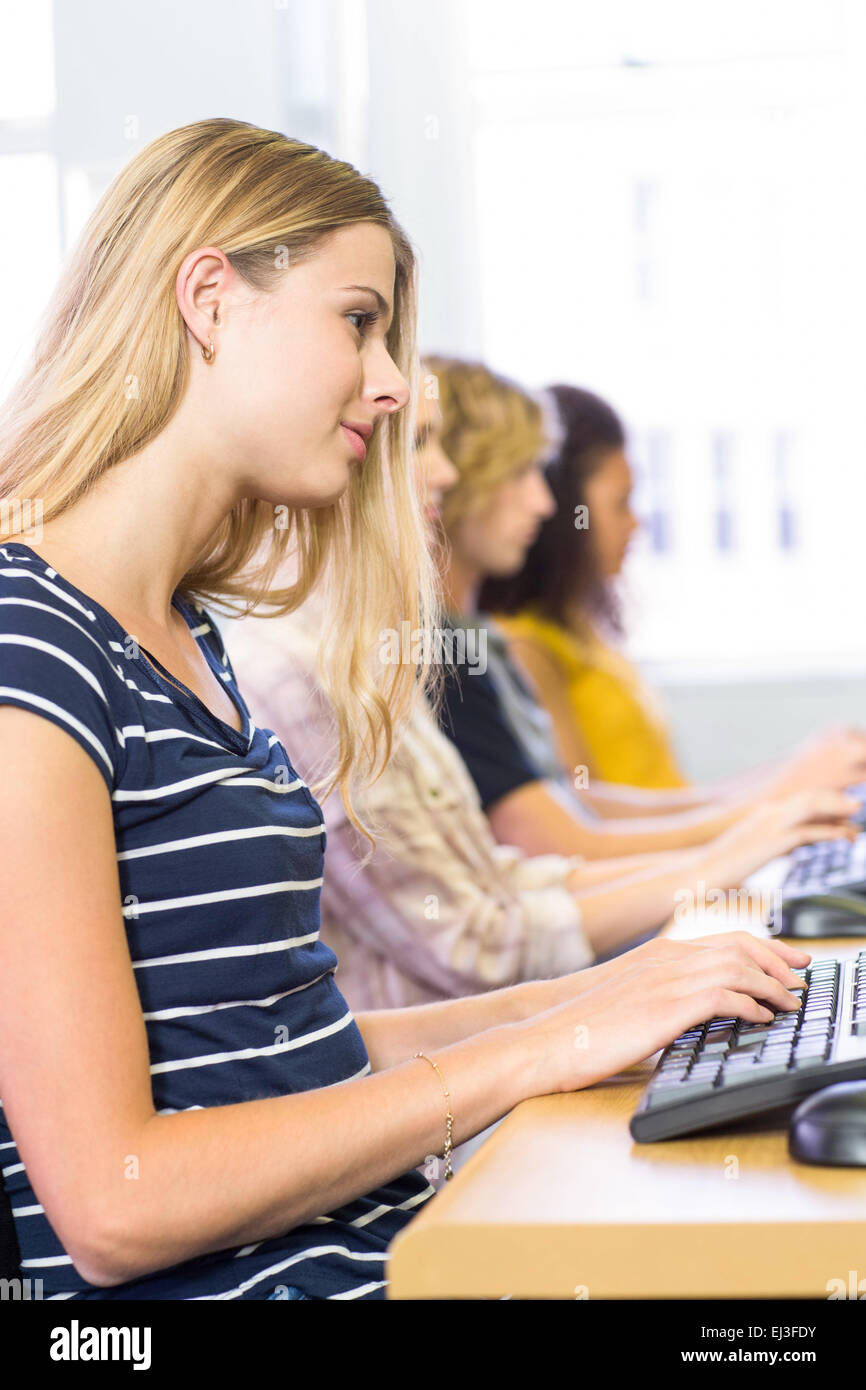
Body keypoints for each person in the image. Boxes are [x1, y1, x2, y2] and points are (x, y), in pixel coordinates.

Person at [0, 118, 827, 1302]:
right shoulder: (30, 641)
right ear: (209, 298)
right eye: (358, 319)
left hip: (385, 1250)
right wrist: (538, 1049)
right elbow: (117, 1202)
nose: (390, 383)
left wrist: (603, 1004)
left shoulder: (184, 637)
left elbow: (294, 1064)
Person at [226, 383, 861, 1008]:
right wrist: (728, 854)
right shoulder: (338, 663)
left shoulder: (376, 652)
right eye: (422, 443)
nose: (542, 502)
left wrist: (737, 850)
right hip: (465, 1054)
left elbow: (502, 881)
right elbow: (499, 910)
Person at [423, 354, 866, 863]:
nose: (543, 504)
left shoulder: (481, 641)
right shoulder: (454, 651)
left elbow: (578, 807)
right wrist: (773, 809)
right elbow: (567, 844)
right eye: (519, 472)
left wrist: (783, 795)